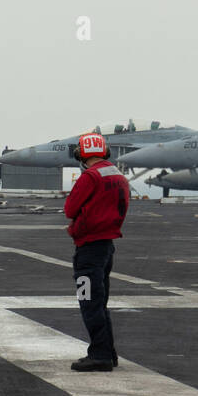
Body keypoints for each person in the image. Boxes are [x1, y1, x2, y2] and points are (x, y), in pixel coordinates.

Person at [63, 132, 130, 371]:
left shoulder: (89, 177)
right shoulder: (117, 174)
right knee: (99, 302)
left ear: (81, 153)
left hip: (88, 249)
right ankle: (108, 352)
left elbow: (70, 209)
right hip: (106, 246)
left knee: (89, 301)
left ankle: (100, 355)